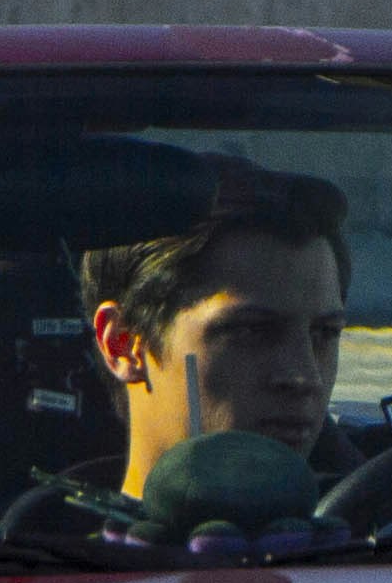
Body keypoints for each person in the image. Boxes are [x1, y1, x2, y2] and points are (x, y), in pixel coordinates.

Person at [76, 163, 351, 516]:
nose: (304, 376)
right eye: (251, 332)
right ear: (124, 344)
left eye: (325, 334)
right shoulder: (22, 557)